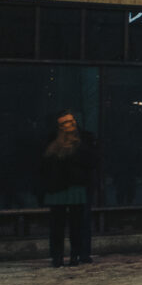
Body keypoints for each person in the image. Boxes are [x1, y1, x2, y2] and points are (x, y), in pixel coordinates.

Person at [39, 110, 97, 268]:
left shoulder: (83, 141)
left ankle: (75, 256)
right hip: (58, 189)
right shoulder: (52, 143)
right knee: (57, 226)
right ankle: (57, 257)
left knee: (76, 225)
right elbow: (45, 167)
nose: (70, 125)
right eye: (65, 122)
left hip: (75, 188)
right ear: (59, 126)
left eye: (71, 121)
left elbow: (91, 162)